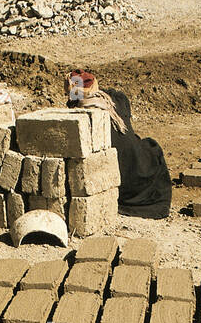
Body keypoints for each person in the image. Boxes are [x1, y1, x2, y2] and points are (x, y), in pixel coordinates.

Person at [66, 69, 171, 218]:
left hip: (116, 180)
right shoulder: (115, 100)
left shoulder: (77, 118)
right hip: (139, 173)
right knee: (149, 147)